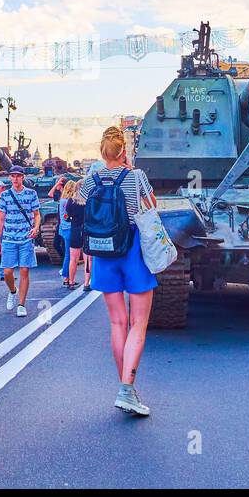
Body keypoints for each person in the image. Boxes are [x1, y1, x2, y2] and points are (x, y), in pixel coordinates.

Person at [77, 126, 158, 418]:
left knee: (117, 323)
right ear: (124, 151)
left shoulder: (89, 180)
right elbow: (152, 206)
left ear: (102, 152)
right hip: (133, 250)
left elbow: (81, 206)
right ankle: (127, 388)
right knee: (138, 322)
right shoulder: (136, 176)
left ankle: (124, 387)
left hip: (103, 251)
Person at [0, 165, 40, 318]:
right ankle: (12, 291)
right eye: (13, 176)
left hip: (25, 238)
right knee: (7, 271)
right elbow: (0, 218)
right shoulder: (5, 195)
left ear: (23, 177)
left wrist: (36, 227)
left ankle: (21, 304)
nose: (15, 178)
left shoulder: (31, 194)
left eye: (18, 176)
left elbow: (37, 214)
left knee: (24, 270)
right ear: (10, 178)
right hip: (9, 238)